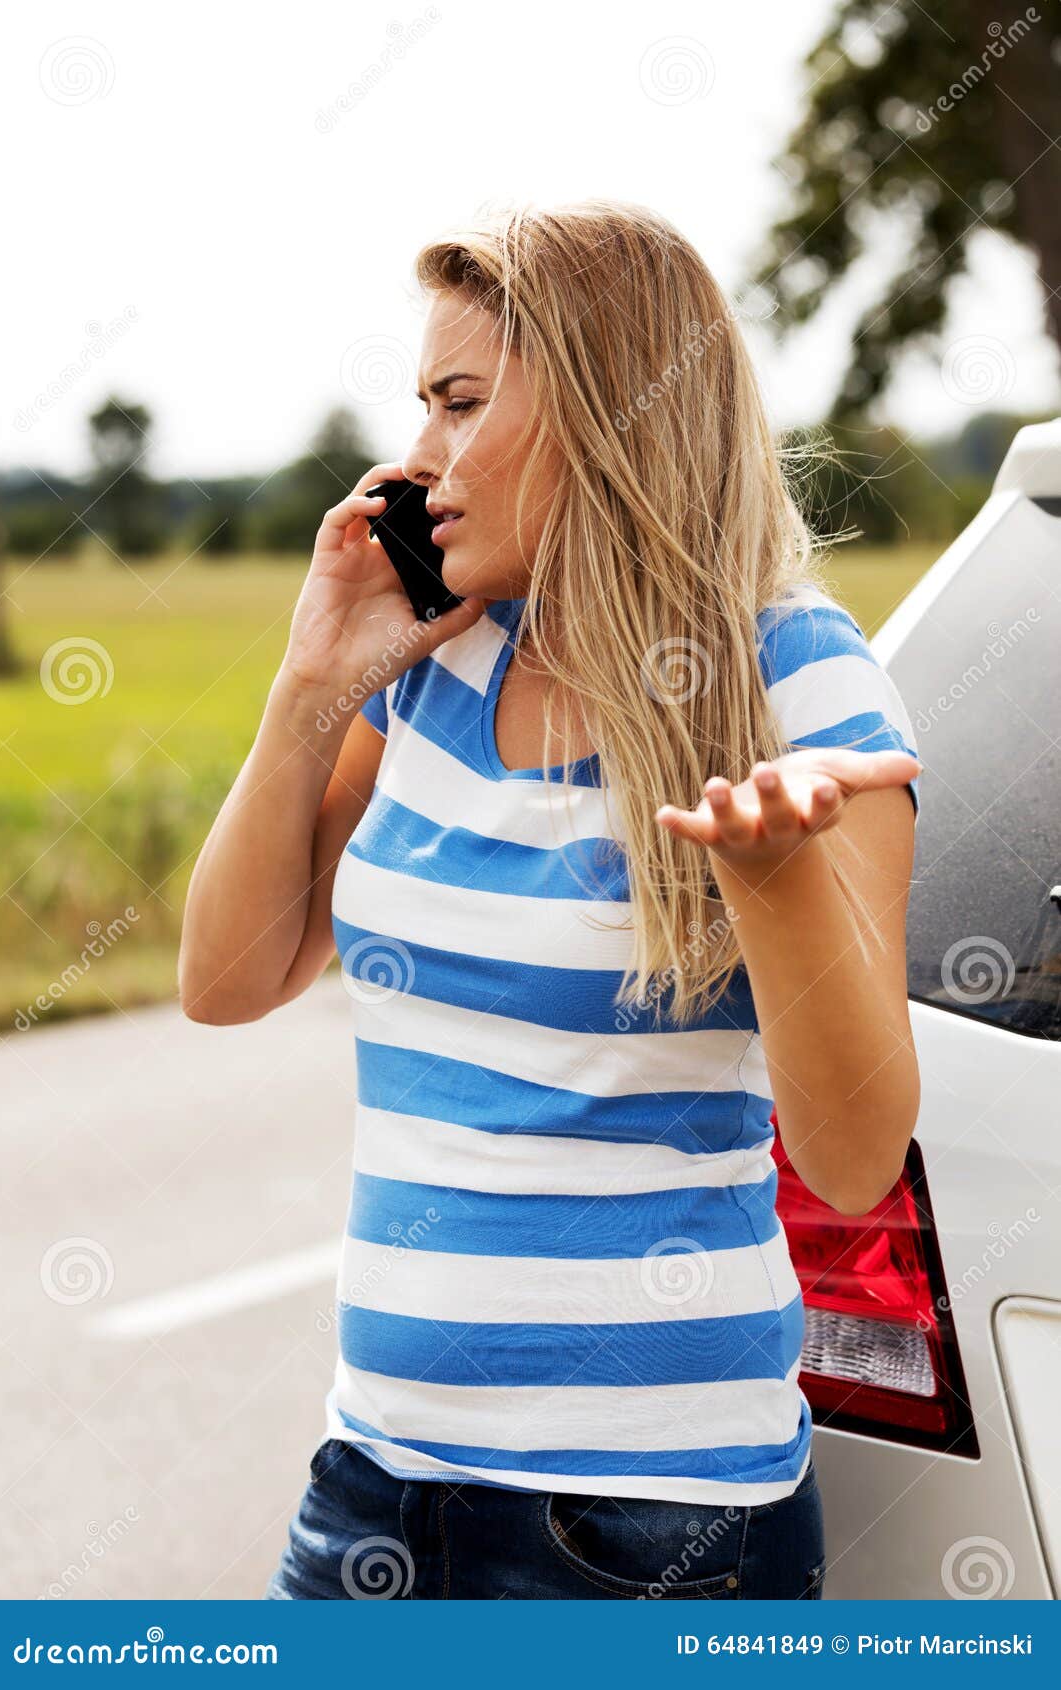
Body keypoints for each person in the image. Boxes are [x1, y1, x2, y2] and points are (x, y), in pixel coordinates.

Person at [179, 199, 922, 1600]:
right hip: (375, 1486)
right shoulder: (433, 659)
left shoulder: (802, 684)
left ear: (603, 411)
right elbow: (227, 977)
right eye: (421, 407)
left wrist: (769, 884)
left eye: (461, 403)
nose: (418, 459)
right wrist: (309, 680)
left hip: (655, 1531)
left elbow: (855, 1151)